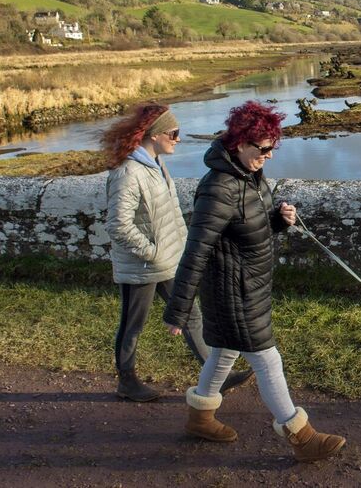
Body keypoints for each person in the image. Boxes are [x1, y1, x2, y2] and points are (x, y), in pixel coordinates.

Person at [163, 100, 345, 462]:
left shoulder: (250, 176)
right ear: (239, 144)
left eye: (272, 147)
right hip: (234, 294)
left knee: (225, 351)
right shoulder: (218, 188)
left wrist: (279, 220)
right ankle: (301, 436)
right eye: (263, 148)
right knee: (267, 360)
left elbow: (248, 229)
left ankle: (200, 416)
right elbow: (196, 250)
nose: (269, 155)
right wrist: (178, 311)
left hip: (249, 287)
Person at [102, 103, 252, 402]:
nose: (178, 139)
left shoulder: (155, 164)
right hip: (142, 266)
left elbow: (169, 215)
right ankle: (127, 381)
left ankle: (216, 377)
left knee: (191, 315)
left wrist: (182, 250)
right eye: (174, 133)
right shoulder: (129, 172)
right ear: (154, 134)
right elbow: (118, 225)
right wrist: (153, 253)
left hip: (169, 260)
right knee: (133, 324)